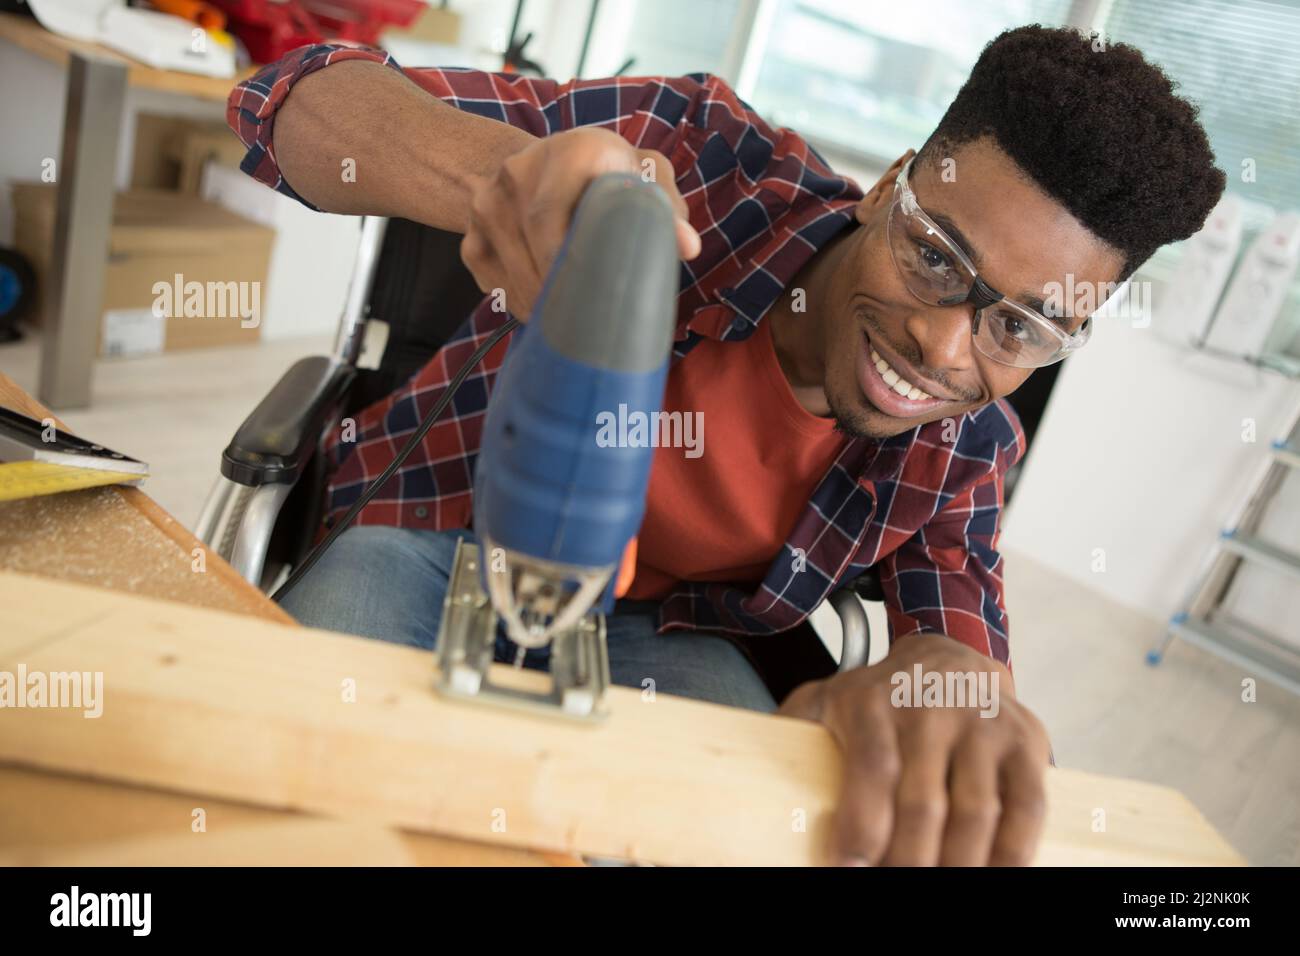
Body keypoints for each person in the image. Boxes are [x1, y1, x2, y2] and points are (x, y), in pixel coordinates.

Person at [226, 24, 1225, 865]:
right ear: (887, 187)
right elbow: (287, 99)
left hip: (662, 638)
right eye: (934, 257)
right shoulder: (699, 158)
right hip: (434, 546)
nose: (943, 344)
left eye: (1019, 328)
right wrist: (502, 174)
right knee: (285, 787)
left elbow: (951, 632)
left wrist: (949, 693)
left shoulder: (963, 448)